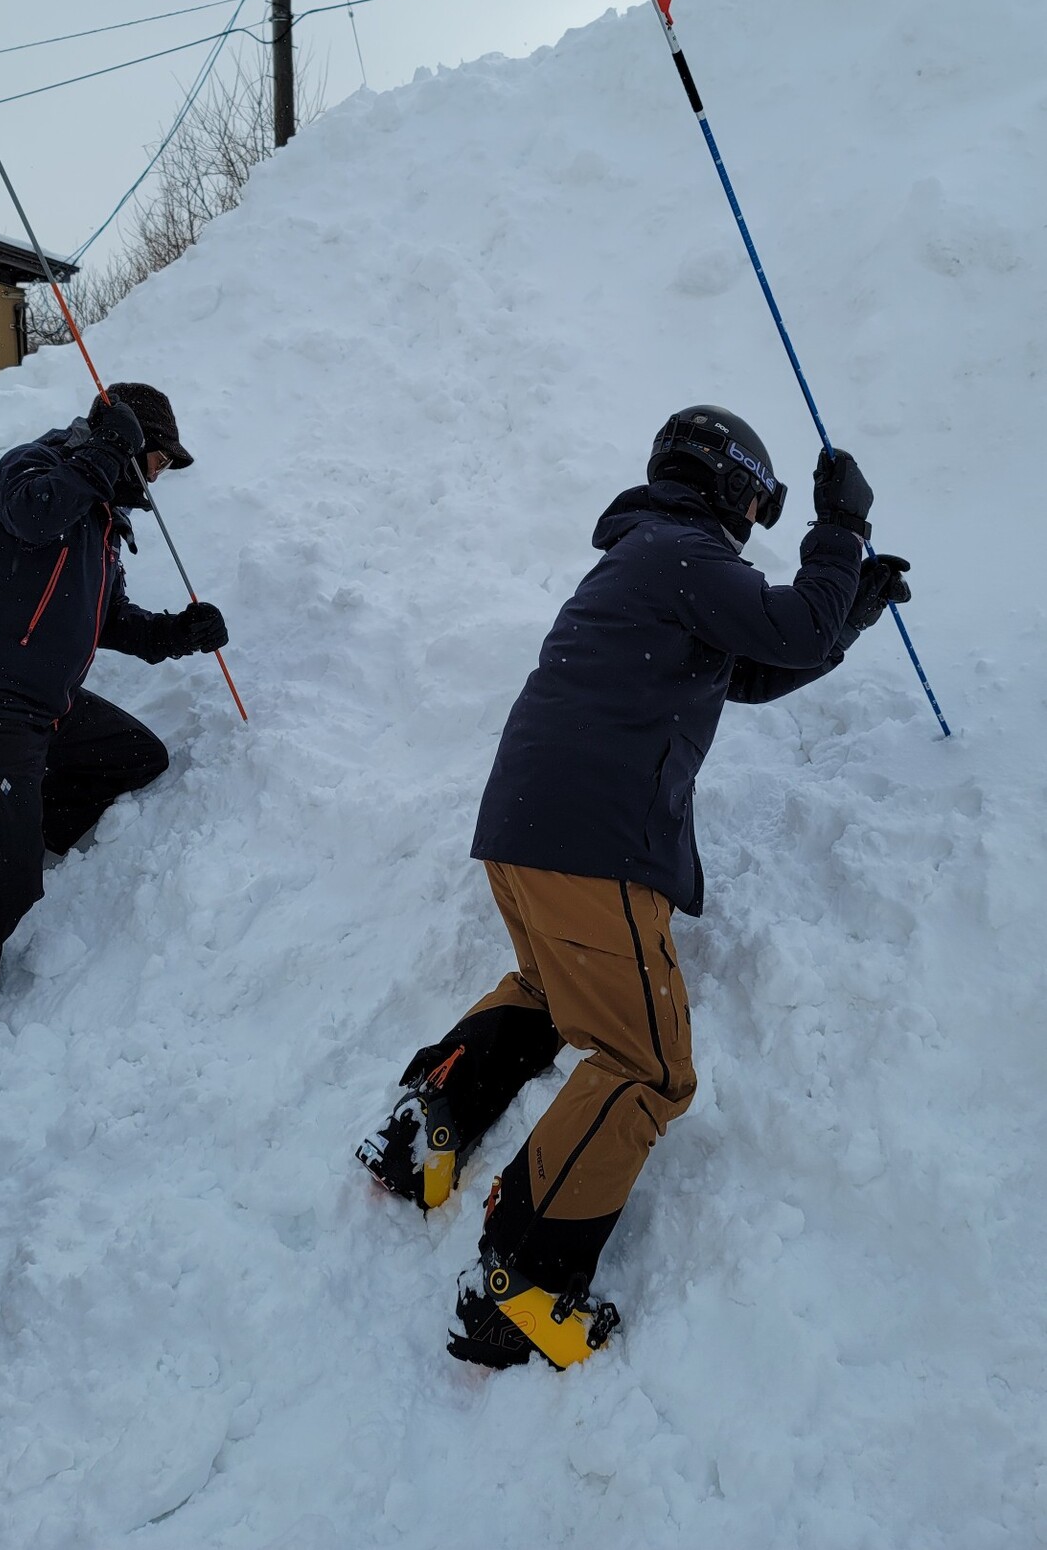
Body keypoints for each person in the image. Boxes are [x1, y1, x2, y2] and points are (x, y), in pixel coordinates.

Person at [358, 406, 910, 1370]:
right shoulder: (686, 554)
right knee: (647, 1066)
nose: (755, 519)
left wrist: (849, 608)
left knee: (547, 992)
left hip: (527, 827)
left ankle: (424, 1132)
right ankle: (520, 1283)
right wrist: (840, 530)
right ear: (731, 484)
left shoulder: (649, 558)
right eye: (760, 501)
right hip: (595, 843)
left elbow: (759, 665)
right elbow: (789, 621)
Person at [0, 382, 229, 1022]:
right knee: (7, 887)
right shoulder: (36, 468)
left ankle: (16, 832)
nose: (160, 474)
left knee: (136, 755)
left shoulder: (102, 520)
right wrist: (102, 456)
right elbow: (35, 513)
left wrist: (179, 633)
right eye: (159, 457)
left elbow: (111, 621)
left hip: (46, 708)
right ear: (127, 443)